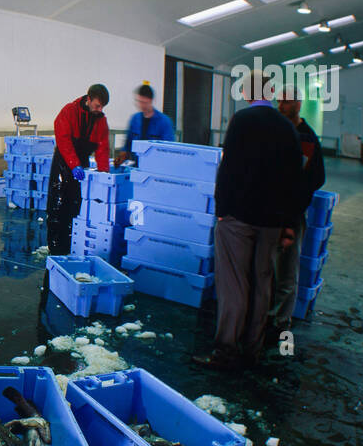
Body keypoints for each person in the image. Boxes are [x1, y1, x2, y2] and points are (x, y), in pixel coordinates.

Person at [193, 93, 302, 370]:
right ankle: (251, 351)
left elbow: (227, 167)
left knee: (234, 286)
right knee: (261, 283)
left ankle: (226, 351)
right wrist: (288, 223)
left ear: (247, 93)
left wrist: (221, 207)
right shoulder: (287, 127)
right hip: (272, 222)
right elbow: (294, 179)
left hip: (238, 216)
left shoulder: (242, 120)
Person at [266, 86, 326, 342]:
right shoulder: (277, 130)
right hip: (269, 212)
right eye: (280, 101)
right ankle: (265, 314)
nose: (282, 105)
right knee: (267, 267)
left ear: (299, 103)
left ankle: (280, 321)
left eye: (287, 101)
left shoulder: (307, 138)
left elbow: (316, 178)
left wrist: (293, 208)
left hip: (290, 215)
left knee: (286, 271)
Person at [47, 84, 111, 255]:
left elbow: (102, 148)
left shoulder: (100, 120)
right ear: (88, 99)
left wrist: (104, 175)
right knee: (58, 205)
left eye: (102, 107)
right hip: (63, 161)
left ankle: (70, 246)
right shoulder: (69, 111)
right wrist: (73, 163)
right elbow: (63, 139)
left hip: (80, 165)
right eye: (97, 105)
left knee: (75, 204)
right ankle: (55, 248)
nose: (99, 109)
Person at [114, 83, 176, 167]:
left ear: (151, 100)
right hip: (136, 166)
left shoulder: (164, 122)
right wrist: (121, 156)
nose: (141, 105)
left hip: (156, 167)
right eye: (139, 102)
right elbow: (127, 144)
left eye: (144, 102)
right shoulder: (135, 119)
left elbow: (168, 150)